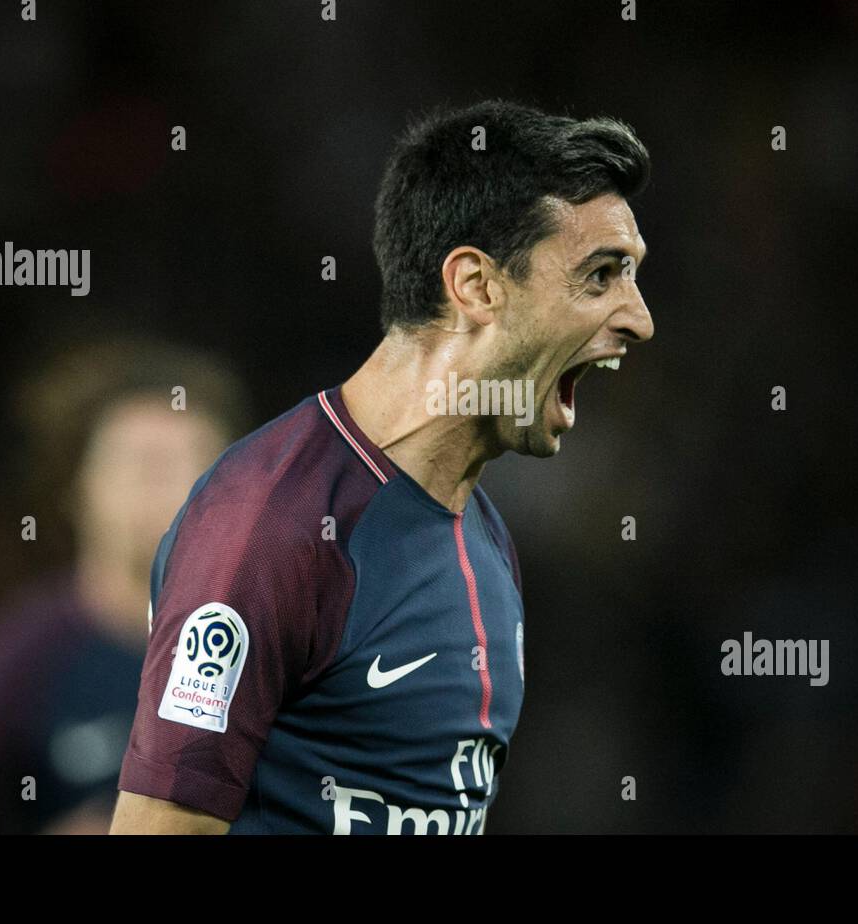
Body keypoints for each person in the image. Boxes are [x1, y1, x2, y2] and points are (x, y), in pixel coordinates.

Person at [111, 99, 655, 835]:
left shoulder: (484, 540)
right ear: (476, 287)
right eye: (600, 276)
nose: (638, 317)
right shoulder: (270, 525)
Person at [0, 337, 248, 833]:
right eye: (140, 463)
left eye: (191, 462)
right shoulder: (9, 664)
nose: (167, 487)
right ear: (77, 485)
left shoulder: (289, 655)